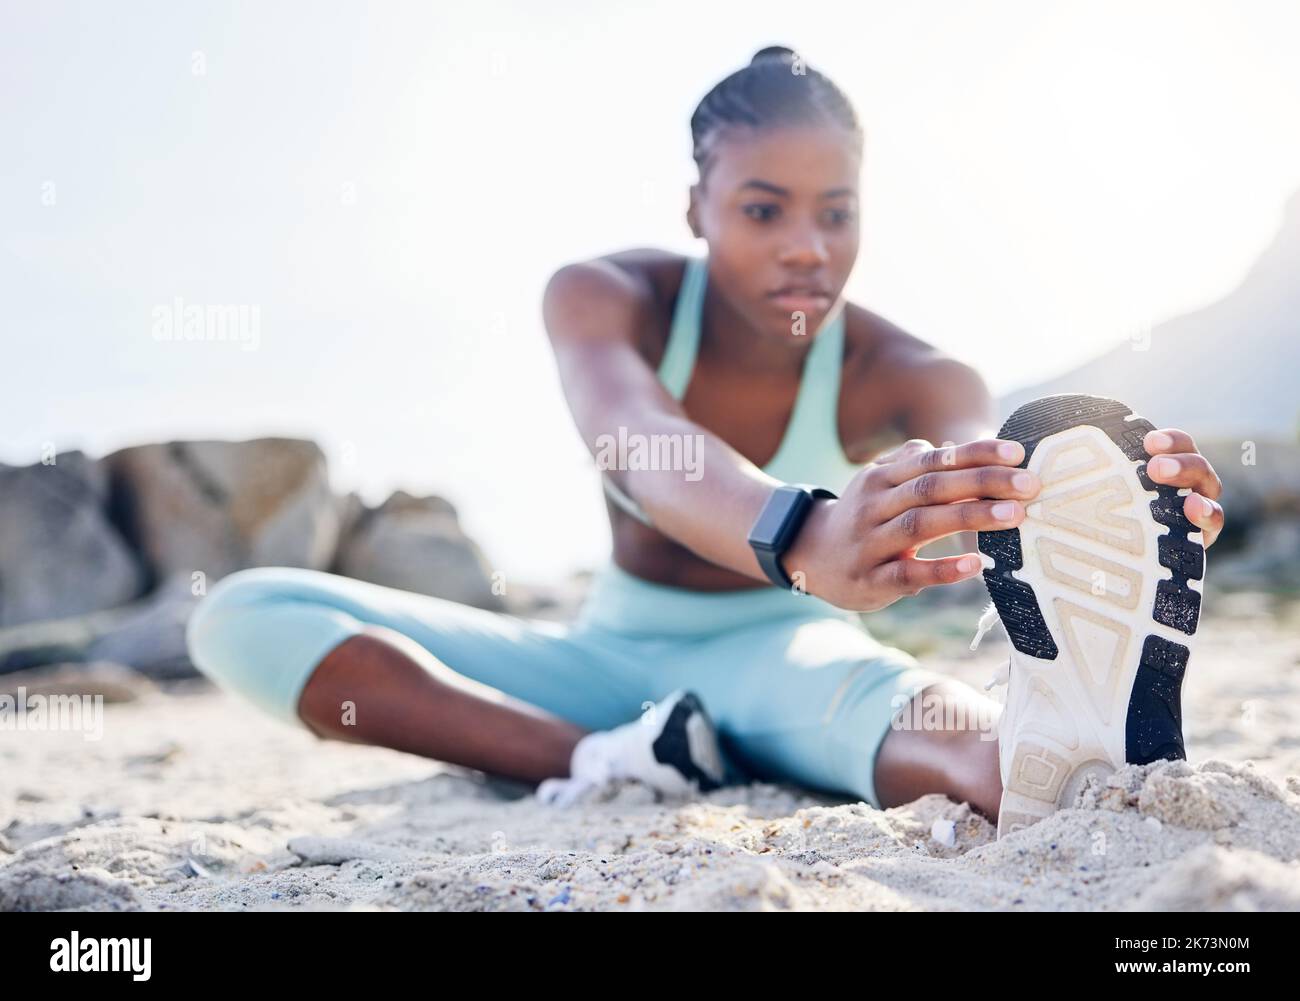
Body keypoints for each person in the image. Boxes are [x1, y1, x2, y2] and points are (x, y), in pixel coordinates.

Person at [185, 47, 1225, 831]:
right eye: (764, 210)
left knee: (991, 763)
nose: (807, 249)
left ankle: (1041, 730)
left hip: (783, 650)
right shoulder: (606, 296)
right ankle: (619, 752)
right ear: (698, 206)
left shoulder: (909, 370)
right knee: (244, 614)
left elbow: (986, 461)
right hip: (602, 654)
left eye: (835, 212)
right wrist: (801, 533)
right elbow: (634, 437)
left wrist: (1099, 490)